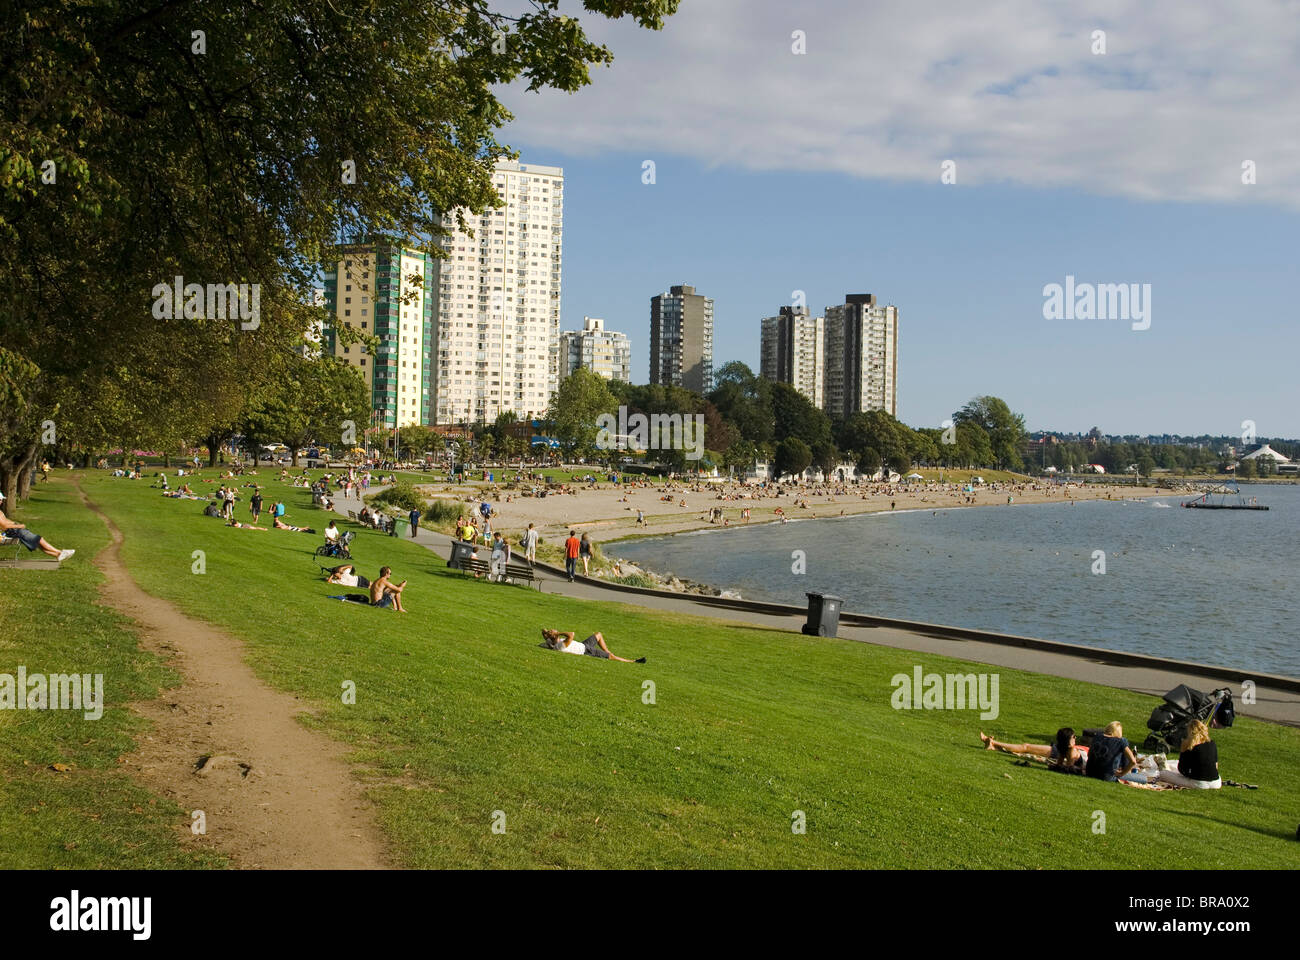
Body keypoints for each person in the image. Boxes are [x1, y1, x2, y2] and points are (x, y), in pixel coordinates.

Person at [0, 492, 75, 561]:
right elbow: (4, 525)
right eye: (0, 500)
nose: (1, 501)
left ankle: (58, 555)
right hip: (14, 531)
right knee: (39, 539)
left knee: (38, 544)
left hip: (15, 530)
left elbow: (5, 521)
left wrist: (15, 523)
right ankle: (61, 552)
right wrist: (20, 525)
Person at [981, 728, 1088, 773]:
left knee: (1026, 747)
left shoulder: (1068, 750)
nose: (1075, 738)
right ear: (1068, 740)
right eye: (1074, 737)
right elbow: (1066, 766)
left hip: (1055, 751)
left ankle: (993, 743)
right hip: (1054, 751)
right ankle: (993, 744)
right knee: (1026, 747)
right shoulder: (1071, 750)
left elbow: (1066, 766)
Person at [1154, 720, 1221, 789]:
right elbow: (1215, 765)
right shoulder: (1212, 743)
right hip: (1216, 782)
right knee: (1174, 765)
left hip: (1198, 783)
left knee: (1163, 774)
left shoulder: (1189, 746)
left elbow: (1182, 769)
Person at [539, 629, 645, 663]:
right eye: (554, 631)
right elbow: (571, 634)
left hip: (583, 644)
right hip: (586, 650)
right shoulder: (559, 646)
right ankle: (633, 661)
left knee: (598, 635)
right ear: (555, 636)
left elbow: (544, 635)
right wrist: (558, 633)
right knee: (611, 657)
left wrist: (547, 633)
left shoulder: (550, 643)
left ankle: (607, 651)